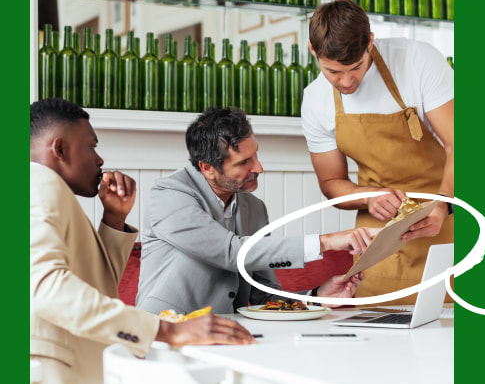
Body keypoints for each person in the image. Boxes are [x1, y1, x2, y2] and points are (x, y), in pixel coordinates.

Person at [30, 99, 255, 384]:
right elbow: (45, 288)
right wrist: (168, 330)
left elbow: (94, 288)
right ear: (60, 149)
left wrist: (114, 218)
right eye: (91, 146)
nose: (99, 160)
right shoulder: (38, 182)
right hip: (51, 378)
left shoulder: (48, 190)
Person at [136, 108, 372, 315]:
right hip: (163, 332)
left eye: (256, 154)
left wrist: (318, 296)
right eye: (243, 162)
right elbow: (231, 252)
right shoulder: (168, 195)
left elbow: (264, 297)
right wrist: (326, 242)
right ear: (208, 168)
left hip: (224, 336)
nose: (258, 167)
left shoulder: (254, 208)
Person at [301, 0, 454, 305]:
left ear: (370, 42)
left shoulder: (417, 61)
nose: (346, 81)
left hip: (446, 228)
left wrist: (444, 205)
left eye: (355, 67)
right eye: (333, 71)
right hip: (379, 245)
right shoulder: (315, 100)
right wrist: (369, 197)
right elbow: (331, 183)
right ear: (312, 51)